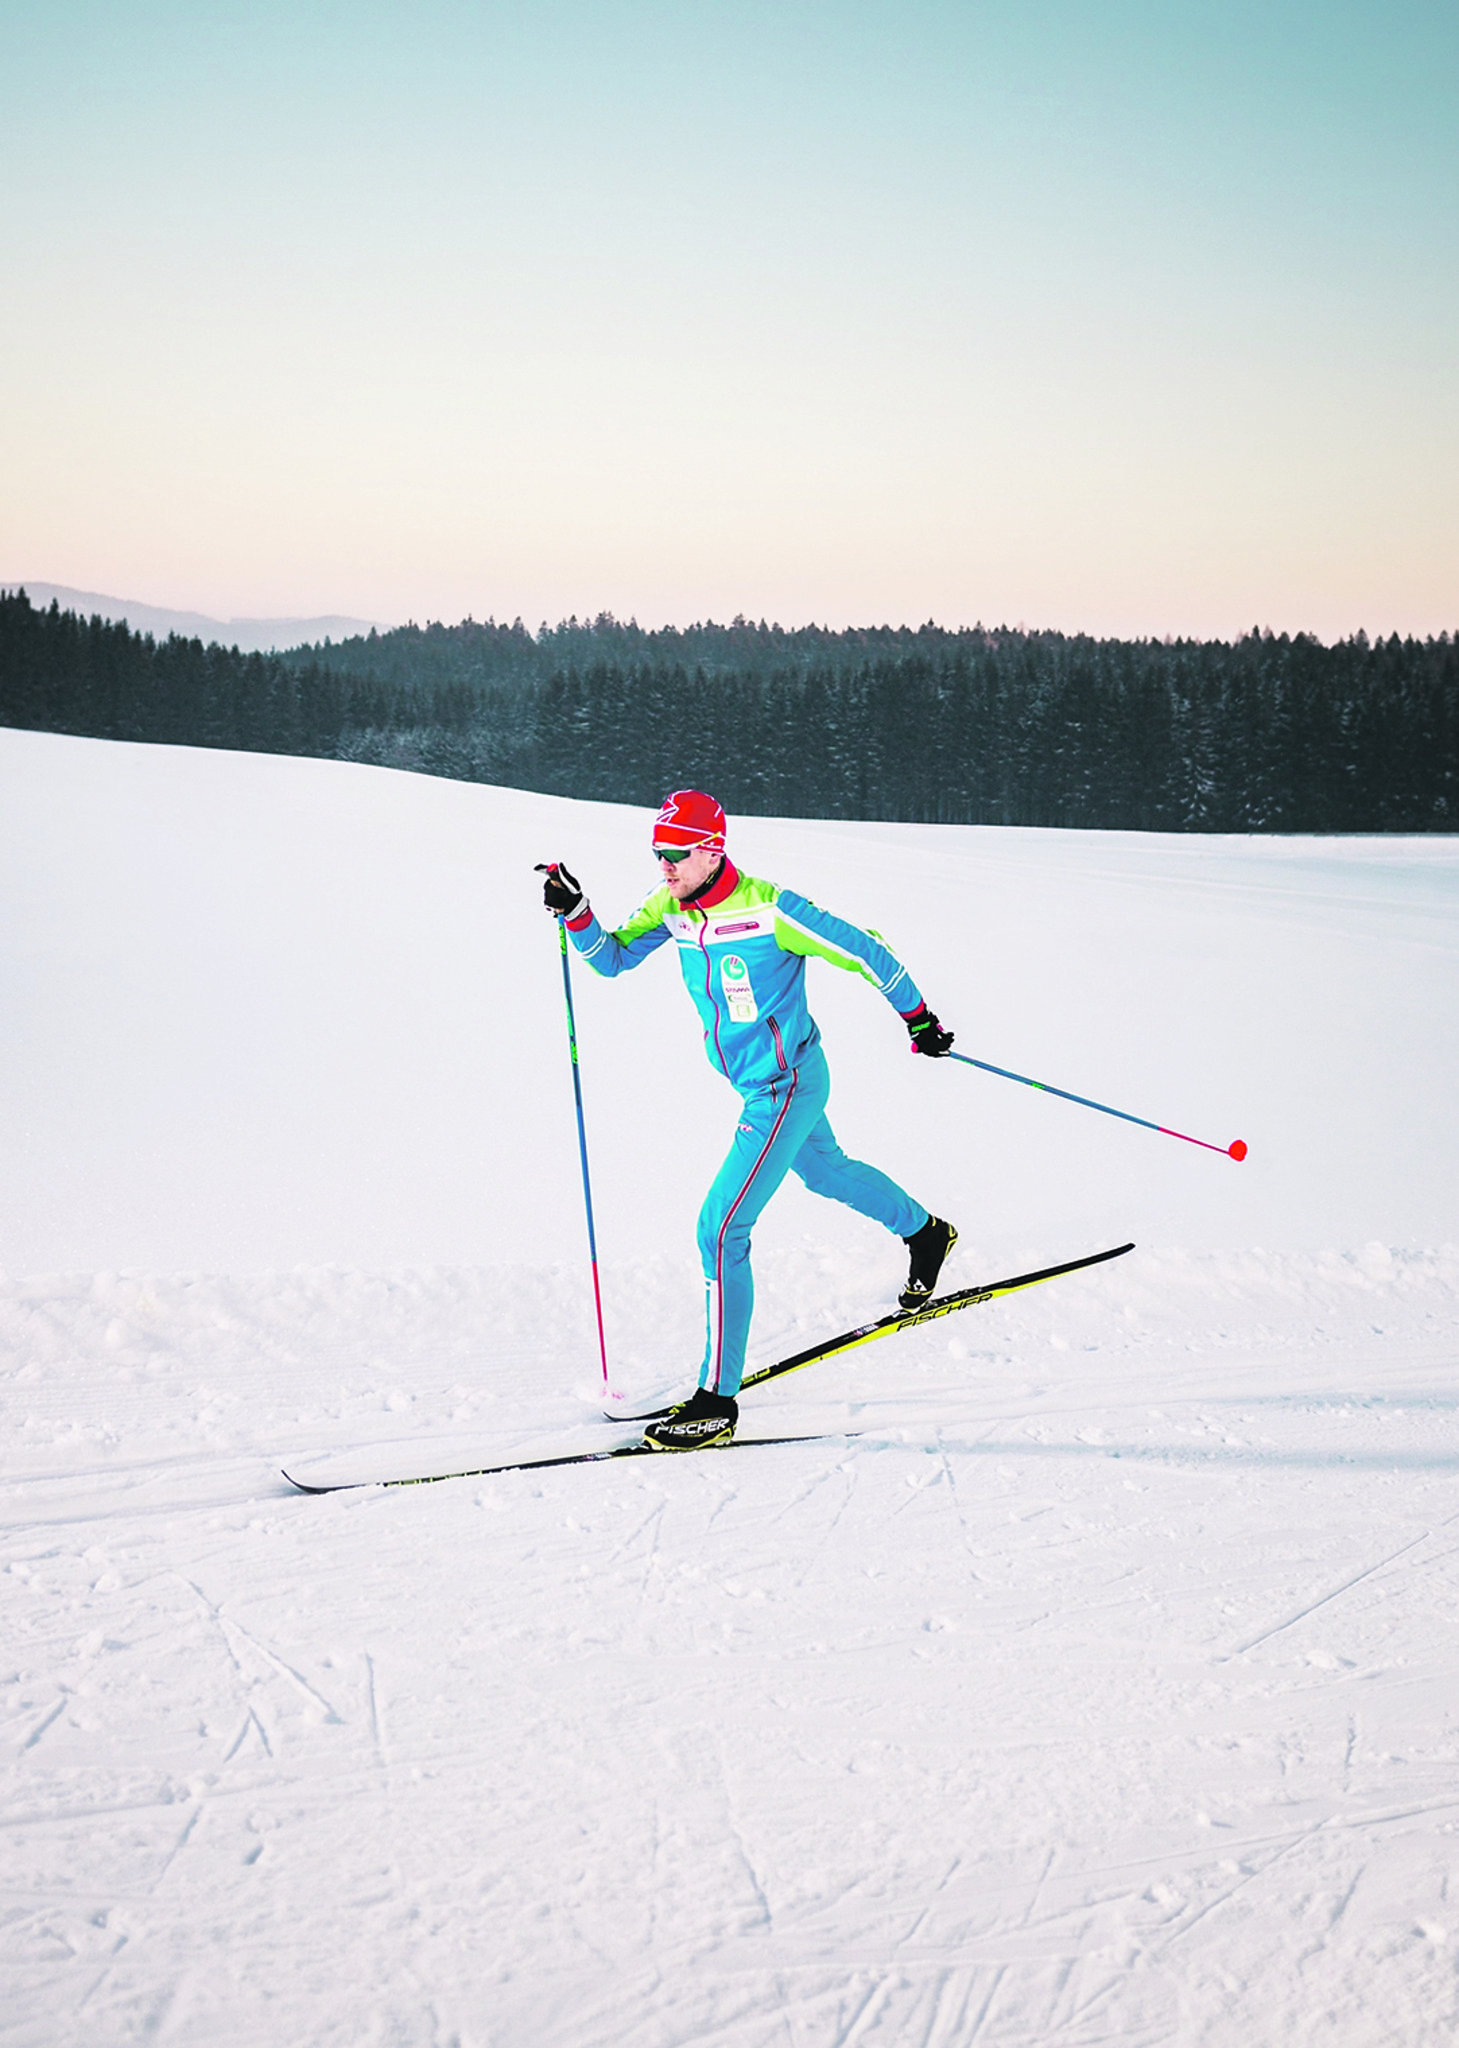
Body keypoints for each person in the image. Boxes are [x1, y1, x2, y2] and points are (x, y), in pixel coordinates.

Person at [538, 790, 957, 1450]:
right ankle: (926, 1233)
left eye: (675, 856)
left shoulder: (772, 908)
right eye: (657, 855)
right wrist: (578, 915)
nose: (664, 869)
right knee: (826, 1175)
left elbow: (867, 950)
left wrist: (919, 1018)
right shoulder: (669, 909)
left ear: (711, 851)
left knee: (722, 1227)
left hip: (784, 1086)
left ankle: (715, 1403)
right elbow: (611, 961)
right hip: (755, 1084)